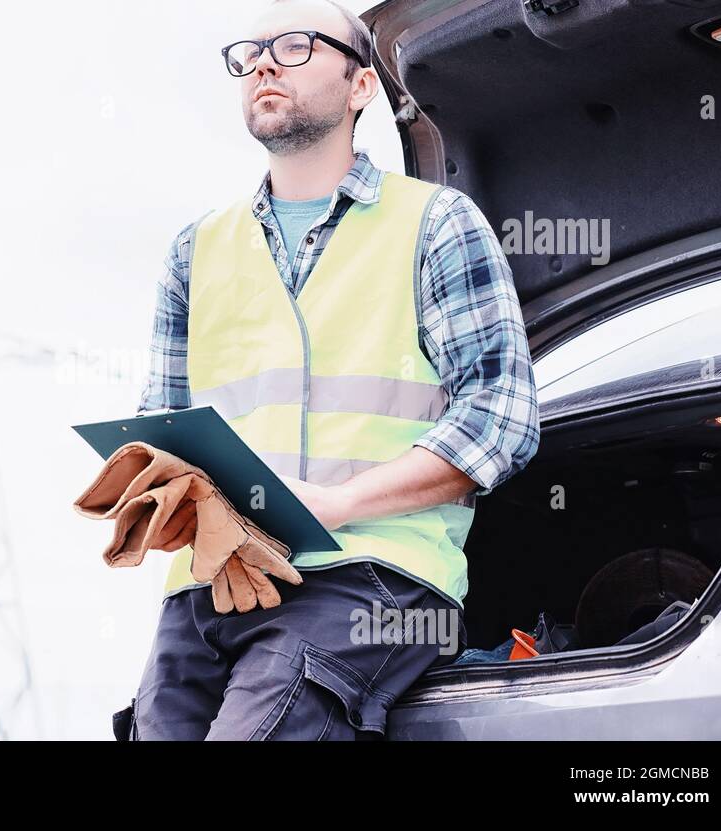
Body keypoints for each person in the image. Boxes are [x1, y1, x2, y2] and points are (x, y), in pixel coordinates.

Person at [127, 0, 540, 740]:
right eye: (249, 52)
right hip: (213, 582)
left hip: (374, 576)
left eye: (292, 45)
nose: (262, 63)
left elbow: (497, 420)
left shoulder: (437, 224)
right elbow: (167, 429)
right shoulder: (196, 250)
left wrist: (337, 503)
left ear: (360, 88)